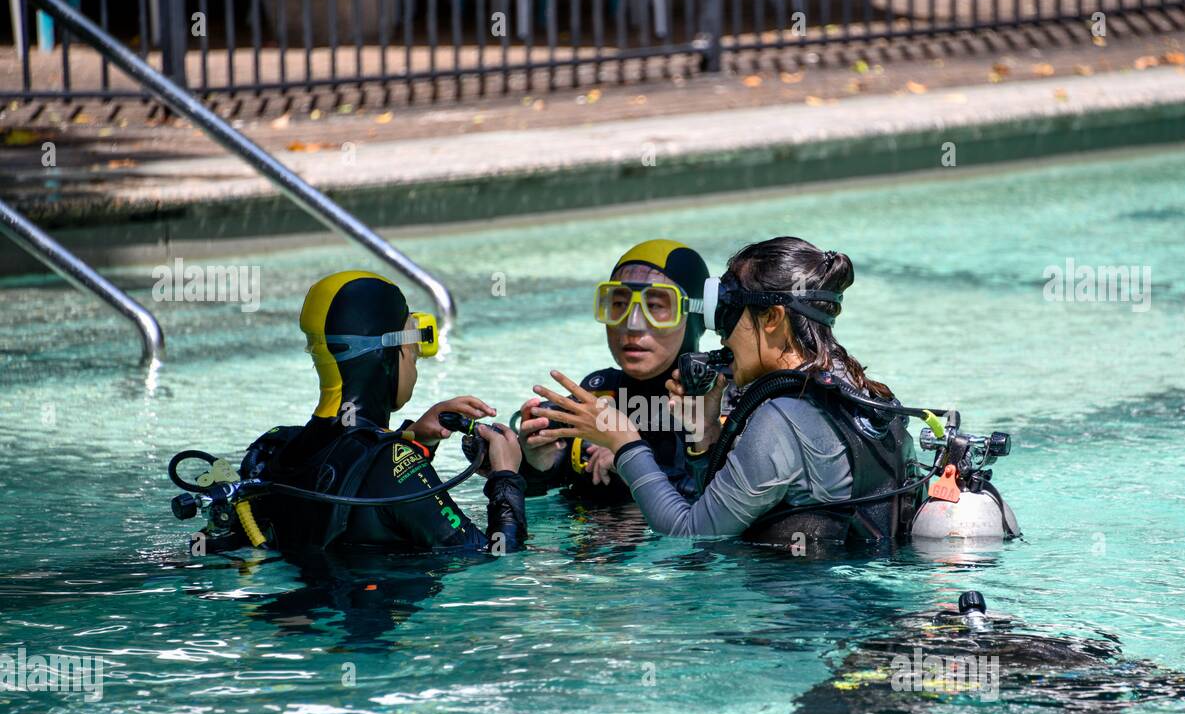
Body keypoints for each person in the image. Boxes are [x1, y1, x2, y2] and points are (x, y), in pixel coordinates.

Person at [529, 237, 922, 547]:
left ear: (772, 318)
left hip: (802, 632)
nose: (720, 332)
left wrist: (625, 444)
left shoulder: (781, 419)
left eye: (727, 313)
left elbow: (691, 533)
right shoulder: (869, 397)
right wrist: (705, 438)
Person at [238, 271, 526, 553]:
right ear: (390, 353)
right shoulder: (395, 470)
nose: (414, 365)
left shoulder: (273, 448)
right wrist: (505, 477)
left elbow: (354, 469)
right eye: (413, 351)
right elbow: (496, 554)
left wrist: (414, 441)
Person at [514, 239, 712, 503]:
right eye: (619, 305)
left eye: (654, 307)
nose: (632, 325)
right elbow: (554, 491)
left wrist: (631, 460)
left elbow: (724, 504)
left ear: (696, 316)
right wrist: (539, 464)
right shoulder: (598, 392)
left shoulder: (716, 399)